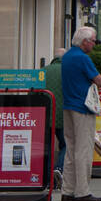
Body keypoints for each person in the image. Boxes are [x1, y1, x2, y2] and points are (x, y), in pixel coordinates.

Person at [62, 26, 101, 201]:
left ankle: (67, 191)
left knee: (70, 150)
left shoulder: (66, 56)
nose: (94, 44)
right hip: (83, 107)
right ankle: (82, 191)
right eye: (93, 41)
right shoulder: (83, 58)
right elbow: (100, 81)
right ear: (85, 42)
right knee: (83, 150)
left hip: (68, 105)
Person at [45, 48, 65, 183]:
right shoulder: (67, 71)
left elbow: (32, 92)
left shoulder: (42, 71)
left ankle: (45, 175)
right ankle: (59, 168)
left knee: (45, 145)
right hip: (63, 115)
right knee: (66, 144)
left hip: (44, 115)